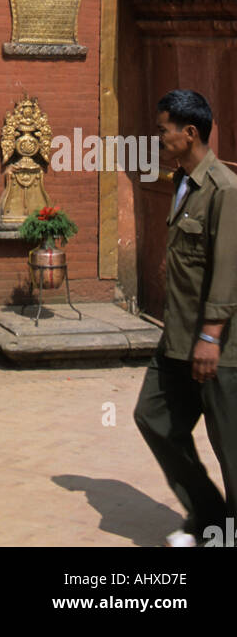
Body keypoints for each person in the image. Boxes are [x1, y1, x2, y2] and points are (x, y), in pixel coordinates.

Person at [134, 90, 237, 547]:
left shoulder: (224, 190)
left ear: (189, 132)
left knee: (231, 448)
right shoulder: (182, 181)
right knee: (152, 417)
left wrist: (211, 337)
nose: (158, 137)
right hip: (176, 337)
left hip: (218, 347)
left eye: (163, 129)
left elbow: (228, 268)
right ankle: (209, 514)